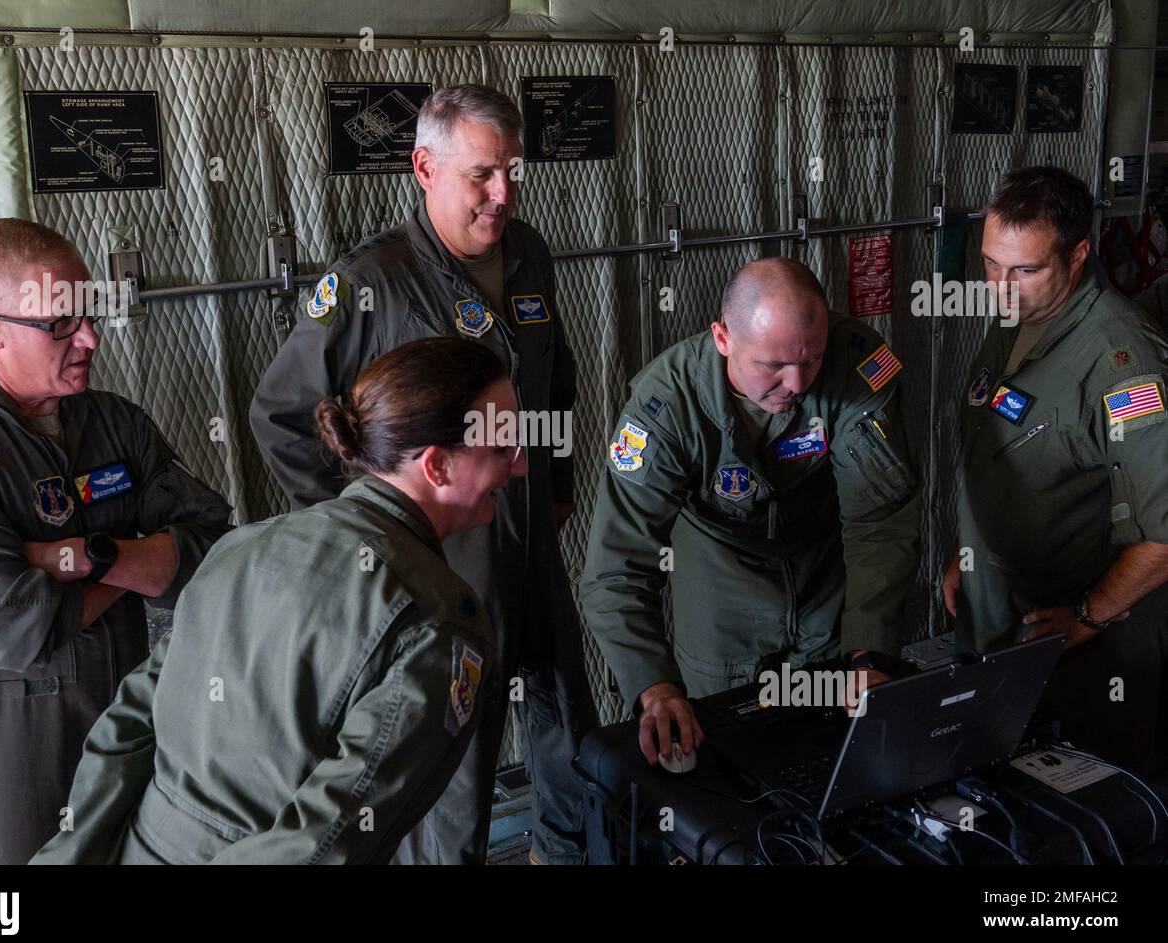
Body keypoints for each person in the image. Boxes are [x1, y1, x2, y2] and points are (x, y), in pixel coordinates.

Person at [250, 84, 594, 864]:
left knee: (567, 725)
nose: (502, 193)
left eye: (512, 170)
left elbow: (557, 376)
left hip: (530, 537)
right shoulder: (372, 280)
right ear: (424, 169)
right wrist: (371, 528)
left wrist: (560, 480)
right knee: (454, 759)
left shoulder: (530, 253)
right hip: (441, 562)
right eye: (481, 174)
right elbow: (280, 412)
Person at [33, 337, 520, 864]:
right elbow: (329, 841)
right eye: (502, 449)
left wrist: (74, 853)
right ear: (436, 467)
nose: (520, 468)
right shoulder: (437, 624)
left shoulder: (245, 545)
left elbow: (128, 723)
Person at [0, 218, 233, 864]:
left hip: (128, 723)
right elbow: (21, 628)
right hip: (8, 753)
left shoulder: (115, 422)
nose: (90, 337)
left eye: (88, 313)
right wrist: (144, 557)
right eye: (59, 323)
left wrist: (91, 555)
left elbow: (212, 553)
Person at [580, 257, 920, 765]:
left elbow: (879, 521)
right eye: (774, 365)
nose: (799, 383)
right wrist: (655, 686)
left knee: (836, 768)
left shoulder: (857, 365)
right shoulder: (666, 406)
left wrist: (869, 652)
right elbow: (617, 567)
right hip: (724, 620)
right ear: (723, 338)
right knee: (732, 777)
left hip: (828, 605)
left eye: (812, 360)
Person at [943, 166, 1168, 775]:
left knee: (1081, 815)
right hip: (1003, 619)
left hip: (1083, 644)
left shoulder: (1122, 363)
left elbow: (1165, 536)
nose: (1000, 285)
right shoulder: (1021, 315)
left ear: (1078, 255)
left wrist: (1088, 618)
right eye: (991, 263)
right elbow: (1007, 455)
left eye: (1025, 269)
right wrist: (970, 556)